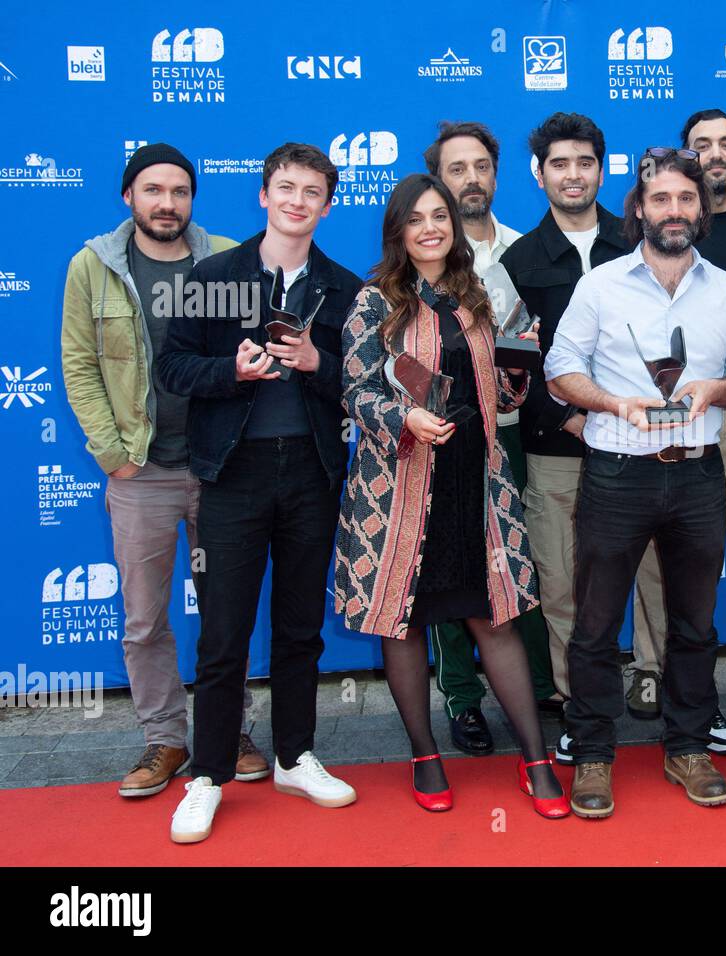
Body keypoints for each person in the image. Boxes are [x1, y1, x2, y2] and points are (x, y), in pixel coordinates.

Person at [333, 174, 568, 818]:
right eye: (417, 219)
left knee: (494, 618)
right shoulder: (374, 301)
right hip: (402, 491)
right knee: (404, 622)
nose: (432, 227)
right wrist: (402, 419)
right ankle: (423, 753)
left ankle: (536, 759)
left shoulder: (479, 295)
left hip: (476, 486)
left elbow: (506, 389)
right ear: (398, 231)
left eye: (441, 216)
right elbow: (355, 391)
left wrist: (523, 364)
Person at [157, 143, 363, 843]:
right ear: (263, 194)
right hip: (233, 477)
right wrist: (231, 373)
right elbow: (173, 368)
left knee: (301, 628)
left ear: (328, 206)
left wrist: (317, 362)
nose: (297, 201)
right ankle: (208, 775)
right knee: (223, 635)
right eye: (286, 187)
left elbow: (365, 386)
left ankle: (294, 755)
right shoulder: (216, 276)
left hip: (312, 474)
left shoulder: (344, 286)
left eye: (312, 192)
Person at [546, 147, 726, 817]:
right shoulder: (601, 284)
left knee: (694, 623)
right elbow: (559, 370)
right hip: (616, 475)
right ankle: (593, 753)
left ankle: (687, 745)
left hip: (697, 476)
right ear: (639, 208)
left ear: (702, 209)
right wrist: (615, 404)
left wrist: (717, 387)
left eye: (685, 200)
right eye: (660, 199)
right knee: (596, 624)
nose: (673, 211)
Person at [60, 143, 268, 798]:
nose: (167, 203)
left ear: (192, 199)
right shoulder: (92, 268)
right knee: (145, 617)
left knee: (225, 611)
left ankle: (226, 730)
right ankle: (165, 738)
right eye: (153, 190)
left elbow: (258, 359)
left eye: (179, 191)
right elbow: (79, 363)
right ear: (130, 197)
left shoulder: (232, 259)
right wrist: (112, 454)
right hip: (141, 472)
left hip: (219, 468)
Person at [616, 108, 726, 750]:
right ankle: (653, 669)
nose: (716, 154)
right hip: (660, 412)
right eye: (702, 145)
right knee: (663, 543)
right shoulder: (652, 225)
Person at [499, 112, 648, 765]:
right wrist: (569, 418)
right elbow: (512, 368)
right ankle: (576, 701)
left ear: (602, 168)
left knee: (654, 573)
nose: (573, 174)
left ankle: (658, 683)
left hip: (642, 446)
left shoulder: (641, 243)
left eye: (584, 162)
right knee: (561, 582)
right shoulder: (518, 261)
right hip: (555, 448)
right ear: (540, 174)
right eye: (559, 163)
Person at [422, 121, 562, 756]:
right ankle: (463, 697)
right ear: (437, 179)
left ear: (497, 176)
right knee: (451, 573)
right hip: (449, 436)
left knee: (517, 566)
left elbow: (528, 347)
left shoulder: (521, 248)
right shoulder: (421, 255)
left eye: (481, 166)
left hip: (516, 434)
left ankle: (532, 688)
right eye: (457, 169)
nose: (471, 179)